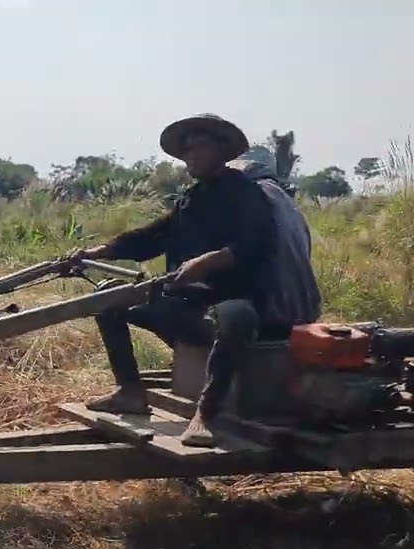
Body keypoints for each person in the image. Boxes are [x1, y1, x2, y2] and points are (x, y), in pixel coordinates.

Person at [67, 113, 321, 447]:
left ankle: (207, 414)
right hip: (194, 306)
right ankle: (130, 391)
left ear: (219, 151)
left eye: (196, 147)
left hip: (243, 306)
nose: (188, 155)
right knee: (109, 302)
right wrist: (97, 252)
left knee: (234, 315)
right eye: (184, 149)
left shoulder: (247, 194)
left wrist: (206, 262)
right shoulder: (192, 199)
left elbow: (254, 244)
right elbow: (152, 238)